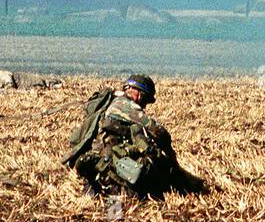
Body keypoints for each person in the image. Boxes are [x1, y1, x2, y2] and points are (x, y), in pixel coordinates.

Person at [63, 74, 205, 198]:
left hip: (100, 163)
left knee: (103, 197)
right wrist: (170, 155)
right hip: (112, 166)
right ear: (139, 94)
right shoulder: (126, 106)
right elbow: (158, 131)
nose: (144, 105)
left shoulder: (111, 102)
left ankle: (96, 200)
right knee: (121, 199)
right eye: (145, 100)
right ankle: (113, 218)